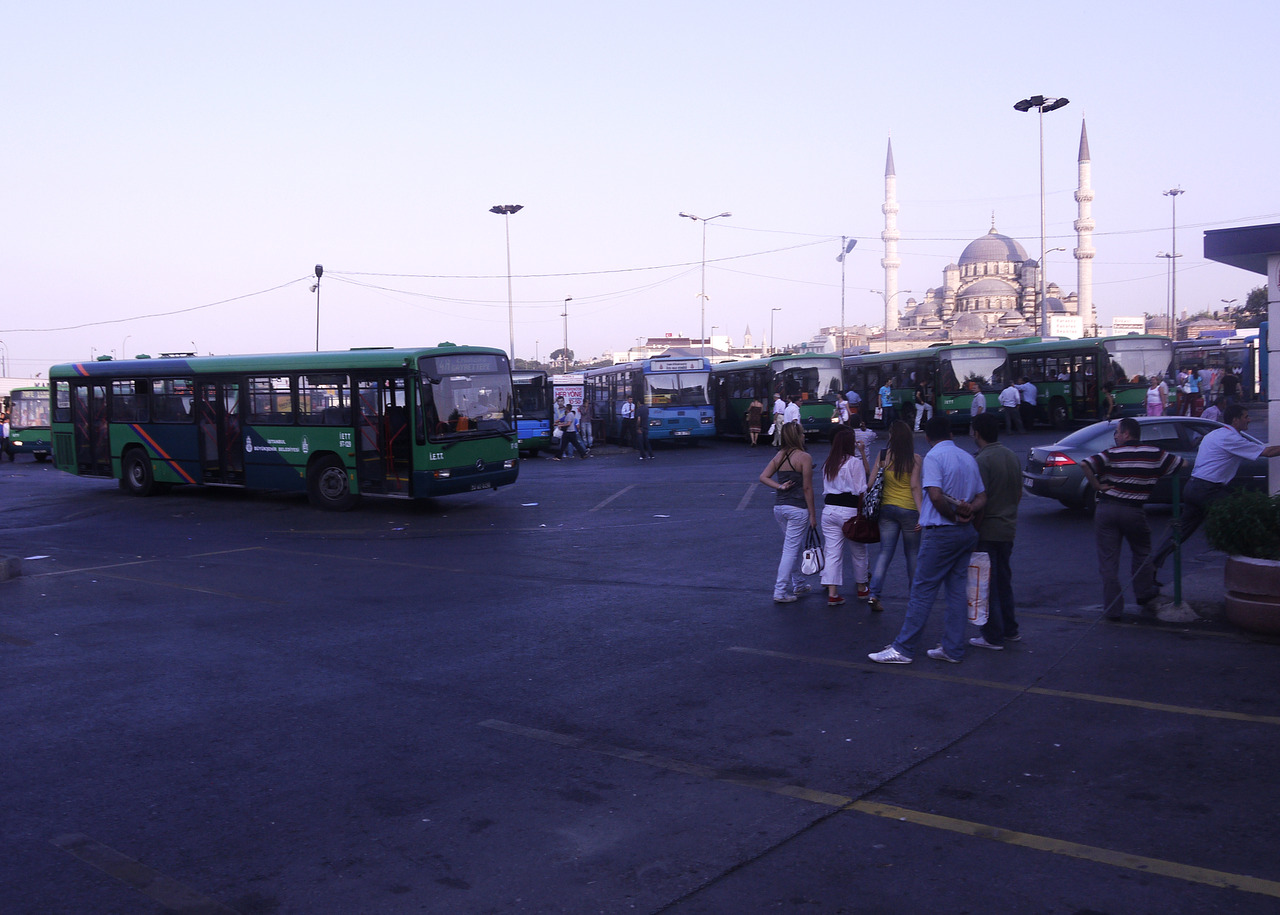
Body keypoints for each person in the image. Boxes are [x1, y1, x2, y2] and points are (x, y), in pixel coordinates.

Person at [869, 415, 986, 664]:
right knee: (956, 591)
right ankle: (952, 648)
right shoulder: (967, 457)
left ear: (929, 437)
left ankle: (903, 649)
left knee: (922, 590)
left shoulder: (934, 457)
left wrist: (953, 516)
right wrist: (969, 512)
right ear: (952, 434)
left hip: (941, 531)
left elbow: (934, 494)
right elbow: (982, 497)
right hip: (965, 534)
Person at [1152, 404, 1280, 571]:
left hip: (1193, 487)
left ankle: (1152, 565)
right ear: (1235, 420)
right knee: (1241, 514)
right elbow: (1267, 452)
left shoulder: (1215, 434)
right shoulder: (1231, 438)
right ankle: (1249, 560)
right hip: (1208, 489)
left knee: (1180, 533)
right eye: (1245, 416)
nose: (1249, 419)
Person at [1081, 417, 1184, 620]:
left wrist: (1097, 486)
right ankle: (1143, 592)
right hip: (1134, 511)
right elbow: (1182, 463)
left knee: (1108, 561)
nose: (1116, 436)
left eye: (1118, 433)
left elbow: (1086, 464)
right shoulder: (1155, 454)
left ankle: (1112, 609)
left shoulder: (1112, 453)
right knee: (1142, 551)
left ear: (1127, 434)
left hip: (1107, 509)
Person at [968, 413, 1023, 649]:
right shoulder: (1011, 456)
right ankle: (1011, 629)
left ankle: (993, 635)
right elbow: (1019, 494)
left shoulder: (982, 461)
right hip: (1008, 527)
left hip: (988, 529)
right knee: (1003, 582)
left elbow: (980, 498)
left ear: (977, 433)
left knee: (986, 585)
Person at [866, 420, 924, 613]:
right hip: (909, 510)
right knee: (912, 554)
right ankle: (915, 598)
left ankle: (874, 593)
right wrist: (922, 514)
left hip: (886, 509)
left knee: (885, 552)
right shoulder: (915, 459)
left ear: (892, 436)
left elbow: (871, 483)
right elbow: (915, 486)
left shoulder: (883, 455)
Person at [759, 423, 816, 603]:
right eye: (802, 433)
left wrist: (780, 486)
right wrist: (813, 515)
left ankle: (798, 583)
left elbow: (763, 477)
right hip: (798, 509)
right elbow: (807, 488)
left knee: (793, 546)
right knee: (790, 550)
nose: (804, 436)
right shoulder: (804, 457)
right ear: (797, 436)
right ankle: (780, 591)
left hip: (780, 508)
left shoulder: (779, 456)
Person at [819, 427, 871, 606]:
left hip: (829, 510)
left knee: (833, 552)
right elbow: (861, 489)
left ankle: (833, 593)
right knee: (858, 551)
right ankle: (862, 588)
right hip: (849, 511)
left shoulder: (828, 463)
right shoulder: (853, 462)